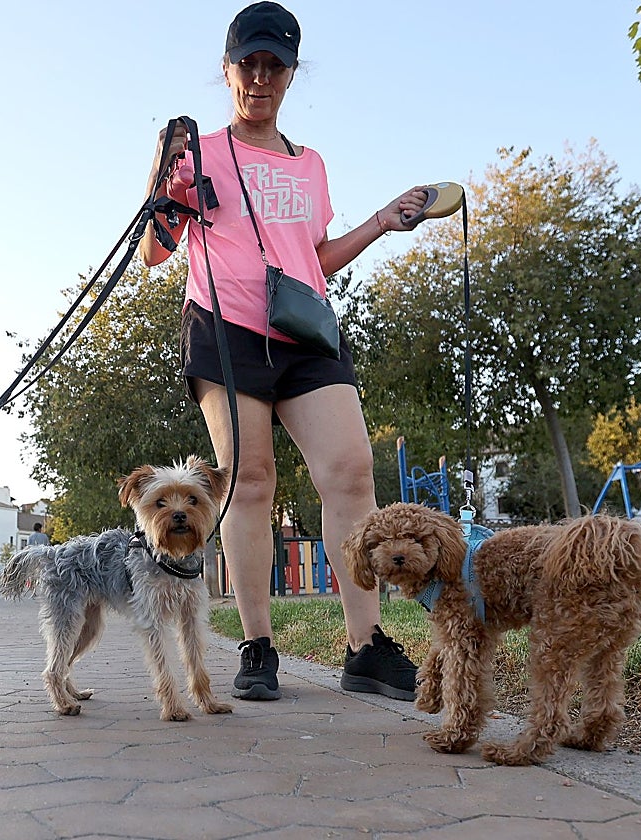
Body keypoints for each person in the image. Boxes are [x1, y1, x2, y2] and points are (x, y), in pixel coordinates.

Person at [140, 1, 431, 702]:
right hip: (225, 328)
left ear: (292, 72)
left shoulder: (311, 164)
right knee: (252, 479)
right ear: (228, 68)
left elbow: (312, 261)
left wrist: (381, 223)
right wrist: (168, 187)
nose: (261, 77)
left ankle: (365, 648)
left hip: (303, 331)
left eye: (275, 65)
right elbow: (154, 252)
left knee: (351, 470)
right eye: (249, 63)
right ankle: (257, 647)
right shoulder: (198, 150)